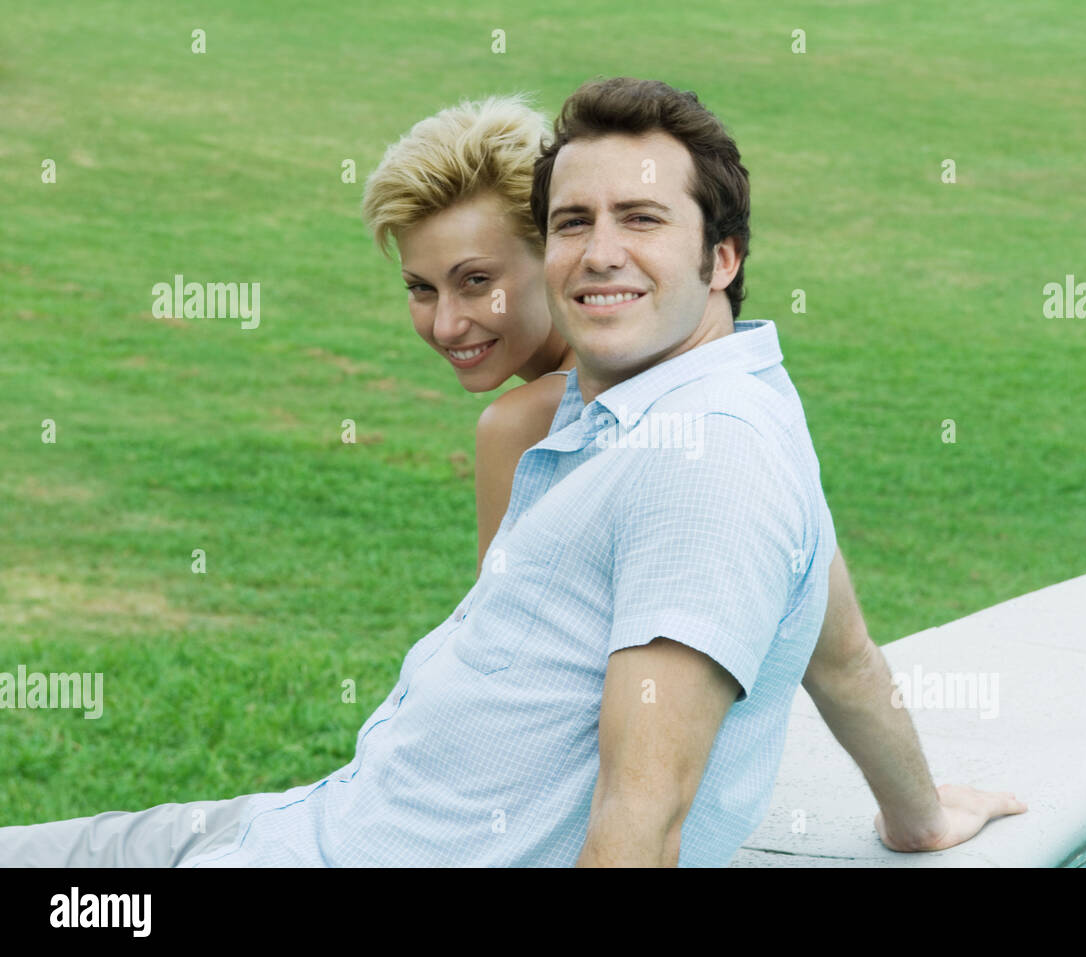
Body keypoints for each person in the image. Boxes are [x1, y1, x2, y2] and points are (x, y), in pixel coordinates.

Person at [0, 78, 1024, 867]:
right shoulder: (681, 402)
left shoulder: (699, 458)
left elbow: (640, 815)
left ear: (721, 258)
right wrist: (919, 816)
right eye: (576, 223)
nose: (597, 252)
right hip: (319, 821)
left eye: (643, 220)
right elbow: (838, 655)